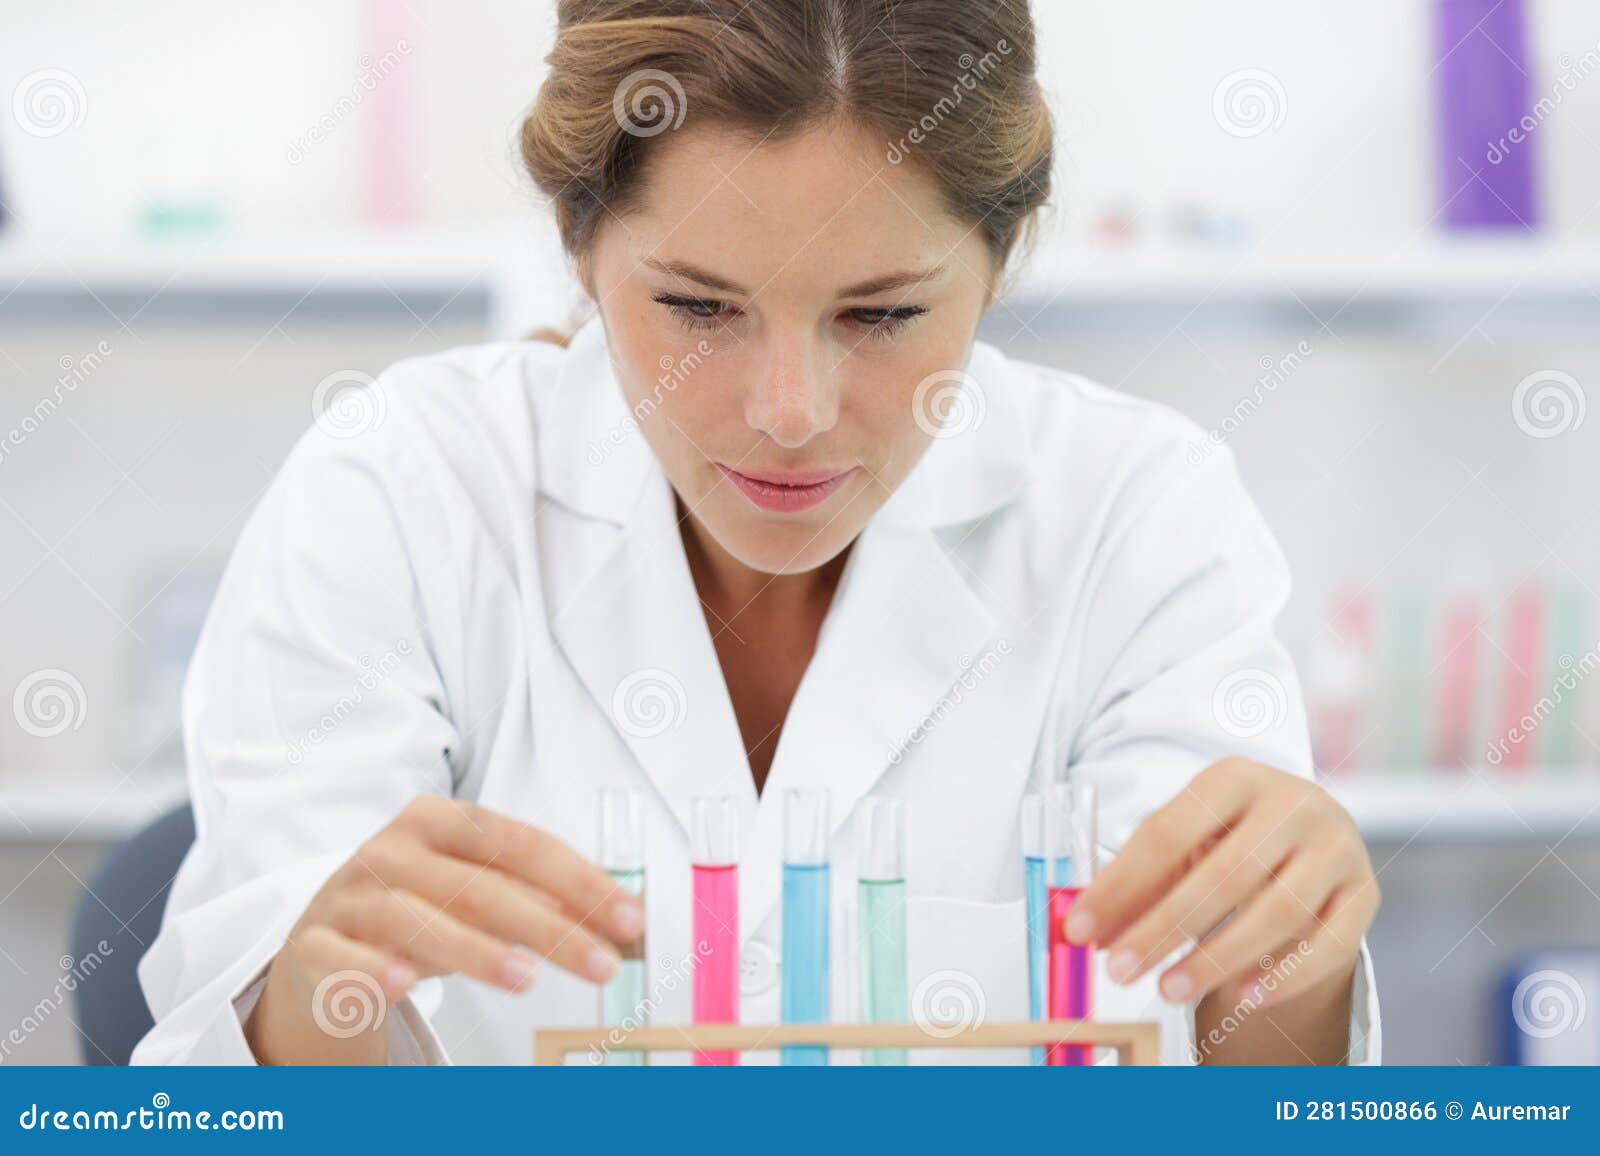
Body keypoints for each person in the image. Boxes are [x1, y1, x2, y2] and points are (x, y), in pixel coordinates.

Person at [134, 0, 1379, 1066]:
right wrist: (311, 995)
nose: (791, 412)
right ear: (578, 241)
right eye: (695, 305)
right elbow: (220, 1094)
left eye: (881, 315)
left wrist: (1293, 965)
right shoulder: (399, 494)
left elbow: (1237, 1082)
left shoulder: (1134, 516)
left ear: (997, 260)